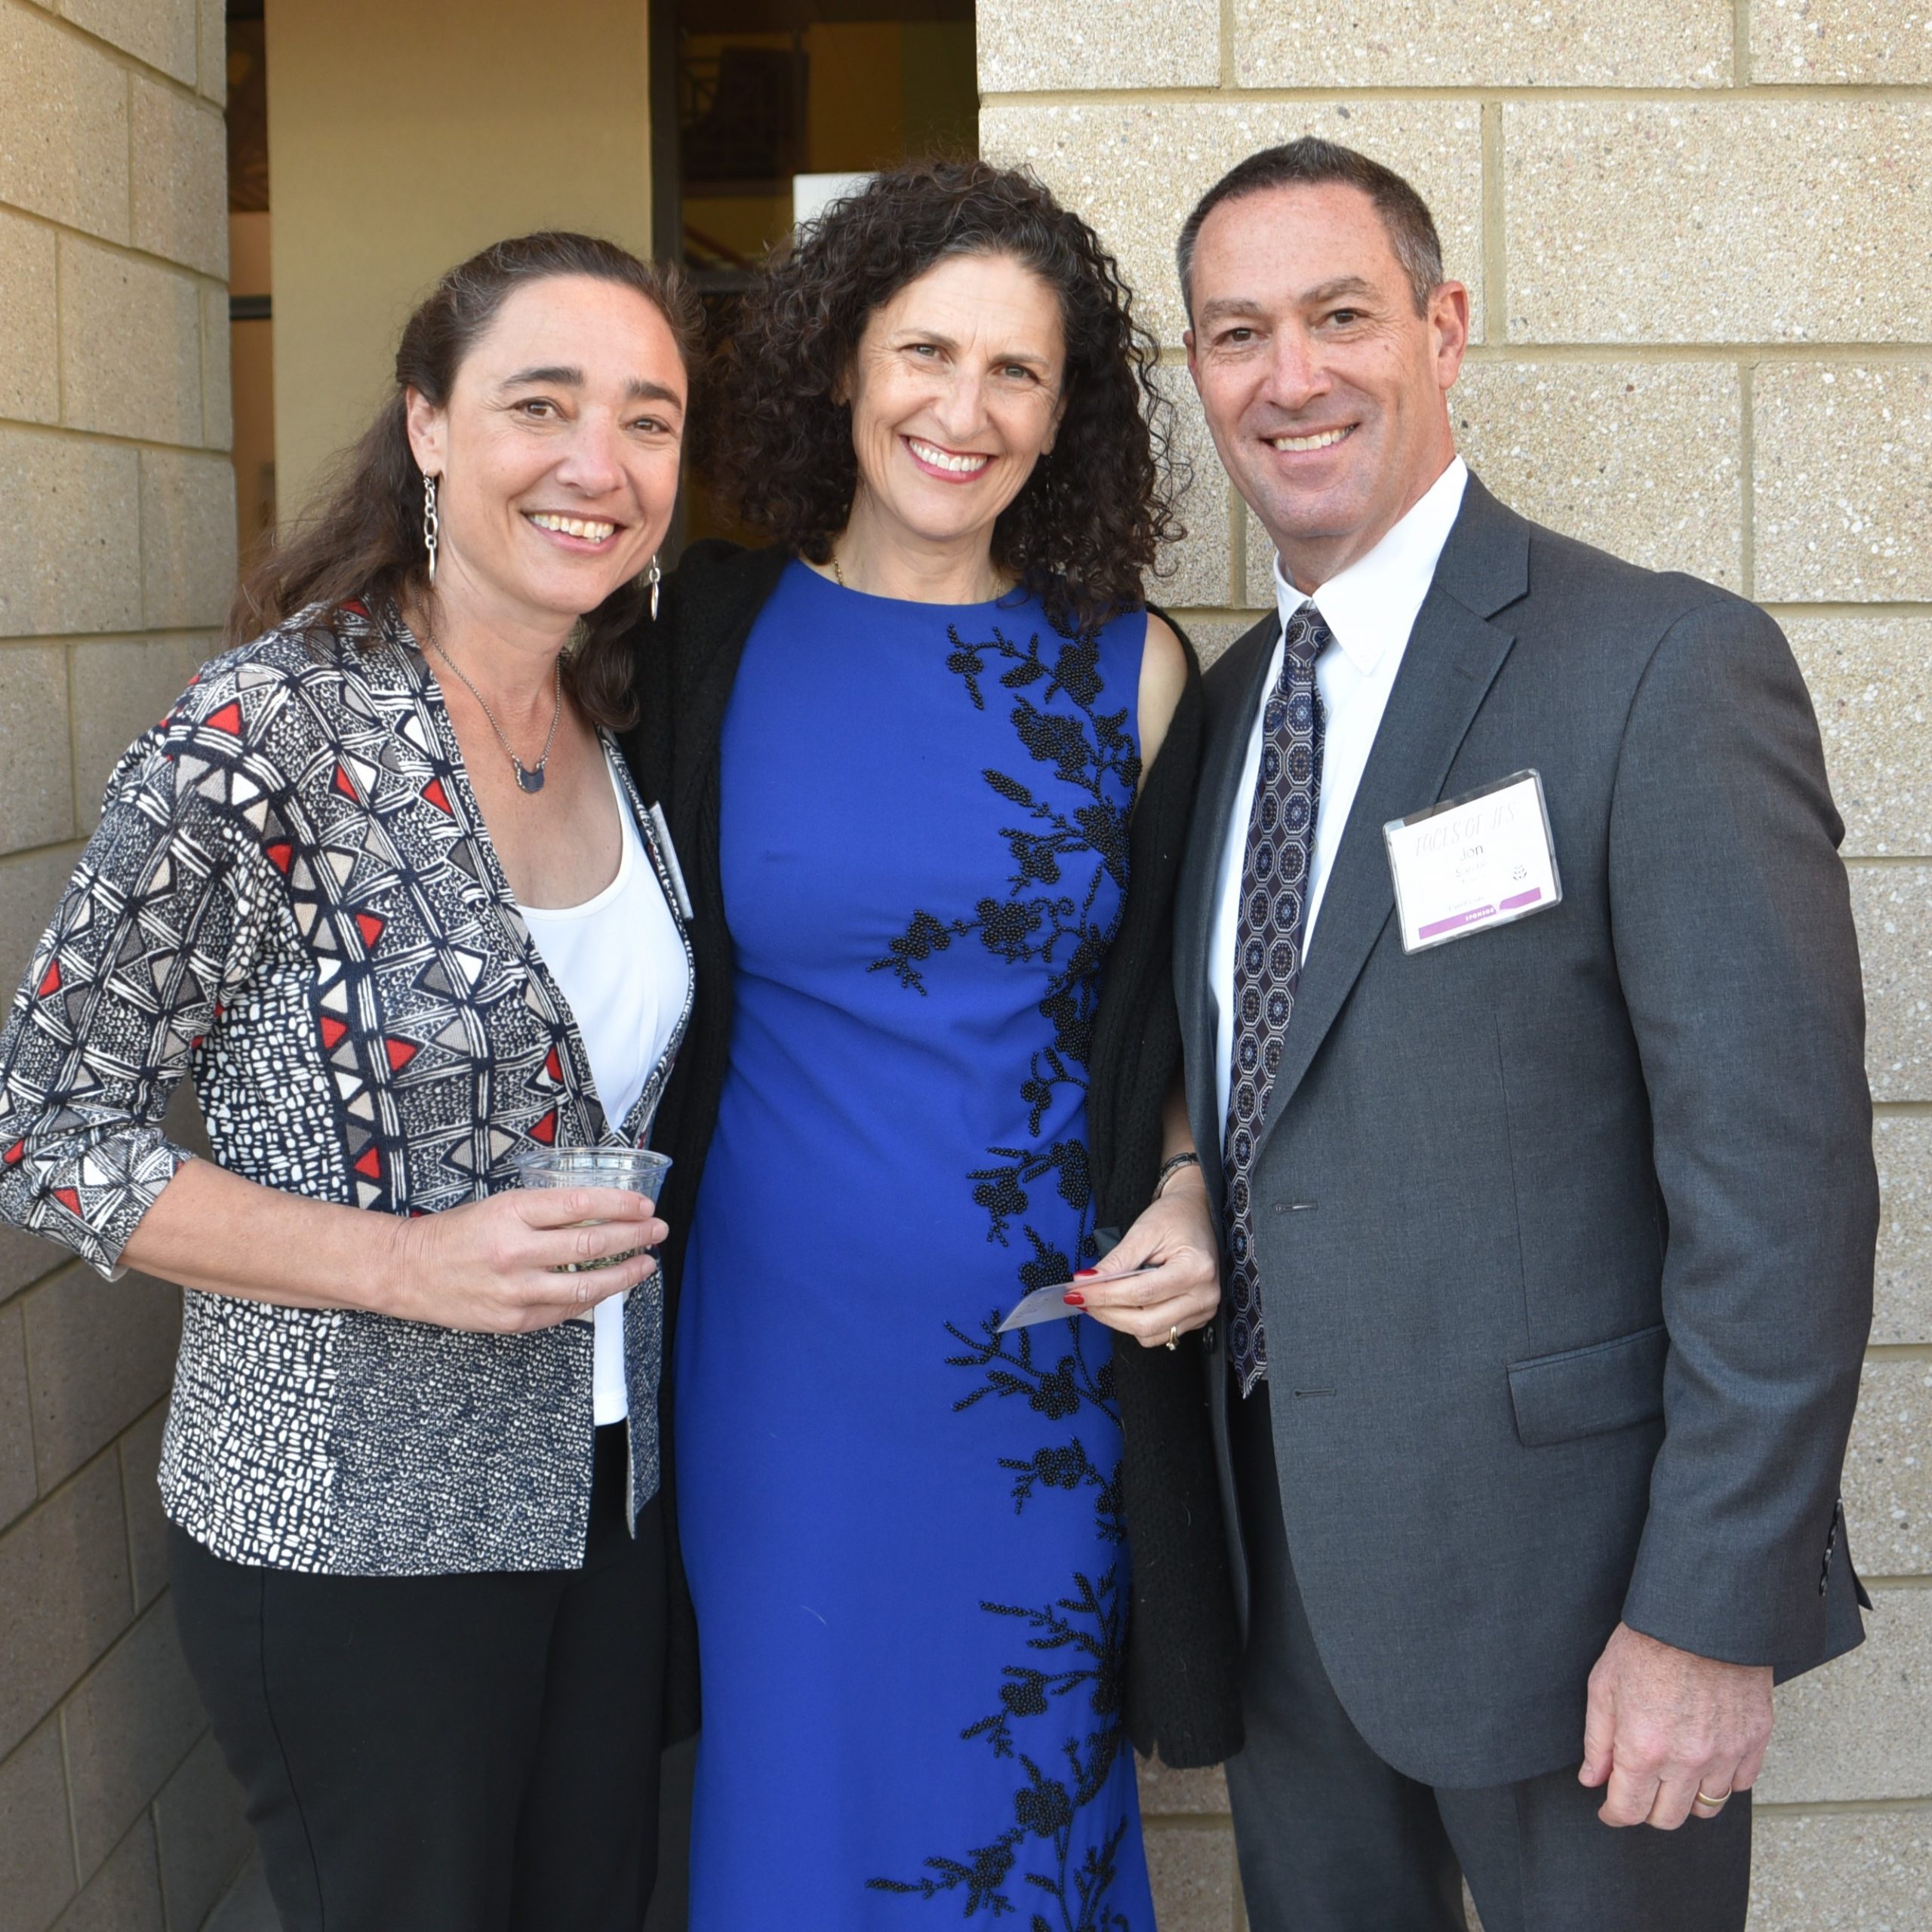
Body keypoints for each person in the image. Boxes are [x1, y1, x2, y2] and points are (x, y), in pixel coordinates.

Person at [1166, 139, 1876, 1931]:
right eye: (1237, 333)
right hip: (1287, 1597)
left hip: (1584, 1617)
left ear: (1442, 327)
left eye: (1339, 315)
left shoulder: (1653, 667)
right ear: (1198, 373)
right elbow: (1273, 1071)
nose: (1291, 376)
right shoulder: (1235, 704)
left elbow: (1776, 1185)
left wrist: (1708, 1609)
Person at [0, 232, 700, 1932]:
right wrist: (403, 1262)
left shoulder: (626, 713)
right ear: (431, 426)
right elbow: (51, 1129)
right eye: (541, 403)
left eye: (650, 419)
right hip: (344, 1528)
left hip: (607, 1496)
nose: (596, 465)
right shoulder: (263, 733)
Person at [622, 159, 1241, 1930]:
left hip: (1037, 1370)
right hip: (776, 1366)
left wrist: (1192, 1184)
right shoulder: (704, 639)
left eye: (1015, 372)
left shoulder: (1125, 671)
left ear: (1066, 416)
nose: (960, 410)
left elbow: (1185, 1009)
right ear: (841, 365)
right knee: (799, 1794)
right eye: (924, 353)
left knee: (1017, 1806)